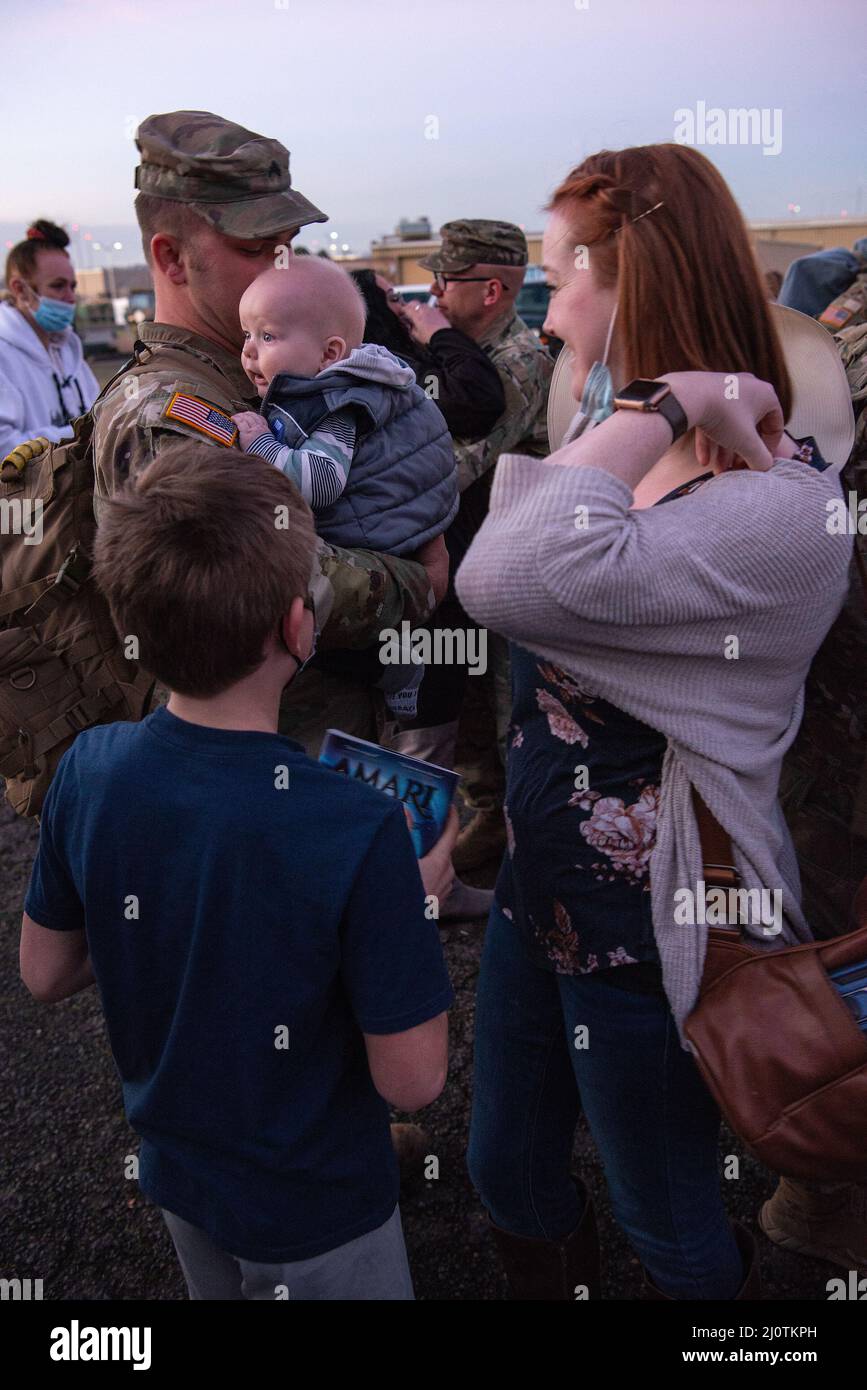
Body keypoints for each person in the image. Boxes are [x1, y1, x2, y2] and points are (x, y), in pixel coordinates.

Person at [453, 143, 852, 1301]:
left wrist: (666, 393)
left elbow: (502, 577)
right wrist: (646, 406)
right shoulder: (618, 448)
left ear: (637, 282)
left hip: (666, 914)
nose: (546, 298)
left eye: (562, 268)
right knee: (506, 1166)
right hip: (551, 886)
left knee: (666, 1211)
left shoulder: (781, 501)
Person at [19, 441, 455, 1301]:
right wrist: (417, 907)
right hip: (321, 1206)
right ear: (298, 627)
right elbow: (413, 1080)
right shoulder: (357, 825)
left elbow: (45, 972)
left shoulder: (90, 766)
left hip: (181, 1175)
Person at [91, 110, 446, 750]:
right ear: (171, 258)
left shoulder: (257, 375)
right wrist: (414, 581)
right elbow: (257, 573)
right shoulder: (173, 407)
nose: (277, 269)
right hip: (261, 769)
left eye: (284, 247)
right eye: (255, 251)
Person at [230, 257, 457, 722]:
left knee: (361, 648)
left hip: (379, 538)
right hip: (382, 535)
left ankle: (401, 682)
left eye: (268, 336)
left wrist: (259, 445)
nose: (250, 352)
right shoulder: (331, 386)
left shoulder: (341, 404)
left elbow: (321, 481)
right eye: (247, 336)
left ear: (330, 354)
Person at [403, 221, 555, 875]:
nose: (433, 292)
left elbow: (454, 467)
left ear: (491, 290)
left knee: (507, 713)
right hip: (470, 564)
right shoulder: (463, 354)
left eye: (446, 280)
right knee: (462, 714)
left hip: (511, 570)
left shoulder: (519, 362)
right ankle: (485, 820)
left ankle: (525, 855)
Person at [0, 220, 99, 457]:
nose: (70, 297)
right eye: (58, 286)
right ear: (21, 290)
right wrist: (79, 436)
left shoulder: (68, 349)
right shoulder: (4, 354)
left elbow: (100, 415)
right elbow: (5, 449)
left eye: (72, 286)